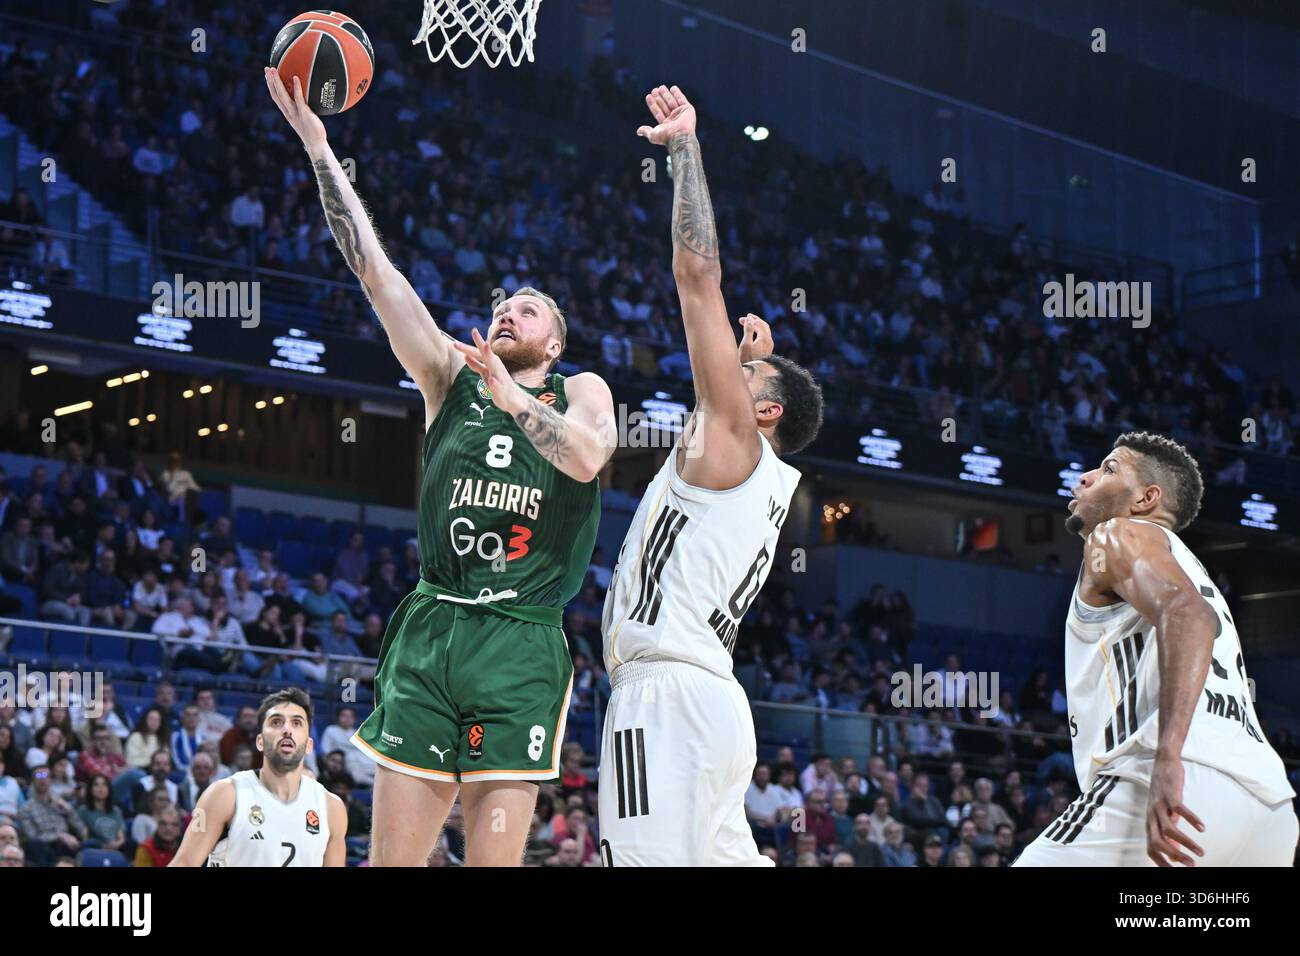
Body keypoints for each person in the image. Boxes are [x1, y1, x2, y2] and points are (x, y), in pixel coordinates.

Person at [264, 66, 614, 867]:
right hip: (432, 627)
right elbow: (377, 274)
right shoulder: (447, 375)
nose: (506, 311)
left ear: (552, 343)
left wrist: (515, 396)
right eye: (501, 304)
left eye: (526, 308)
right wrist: (321, 149)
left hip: (520, 643)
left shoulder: (580, 388)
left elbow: (589, 458)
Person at [597, 85, 823, 867]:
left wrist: (686, 151)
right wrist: (759, 363)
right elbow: (750, 389)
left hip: (664, 699)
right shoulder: (762, 472)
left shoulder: (732, 434)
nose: (730, 371)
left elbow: (697, 278)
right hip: (714, 705)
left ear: (763, 413)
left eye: (746, 378)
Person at [1015, 433, 1297, 867]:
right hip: (1269, 811)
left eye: (1108, 469)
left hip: (1173, 780)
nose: (1086, 478)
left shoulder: (1114, 535)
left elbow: (1188, 615)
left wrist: (1168, 756)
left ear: (1146, 498)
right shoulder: (1191, 568)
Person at [170, 689, 345, 866]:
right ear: (259, 741)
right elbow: (184, 863)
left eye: (296, 723)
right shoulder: (224, 794)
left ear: (309, 745)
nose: (286, 730)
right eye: (276, 722)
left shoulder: (332, 807)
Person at [16, 766, 86, 866]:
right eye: (38, 776)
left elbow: (80, 829)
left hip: (65, 847)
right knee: (35, 845)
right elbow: (32, 837)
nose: (42, 779)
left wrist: (69, 810)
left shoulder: (61, 803)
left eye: (45, 776)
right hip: (44, 849)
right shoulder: (26, 808)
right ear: (32, 781)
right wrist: (59, 836)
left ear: (51, 780)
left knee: (89, 845)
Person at [78, 773, 127, 851]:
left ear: (108, 789)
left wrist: (115, 845)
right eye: (96, 785)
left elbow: (121, 838)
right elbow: (84, 838)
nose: (100, 788)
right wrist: (102, 846)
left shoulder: (116, 810)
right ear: (90, 790)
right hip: (95, 850)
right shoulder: (84, 810)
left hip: (115, 848)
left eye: (104, 784)